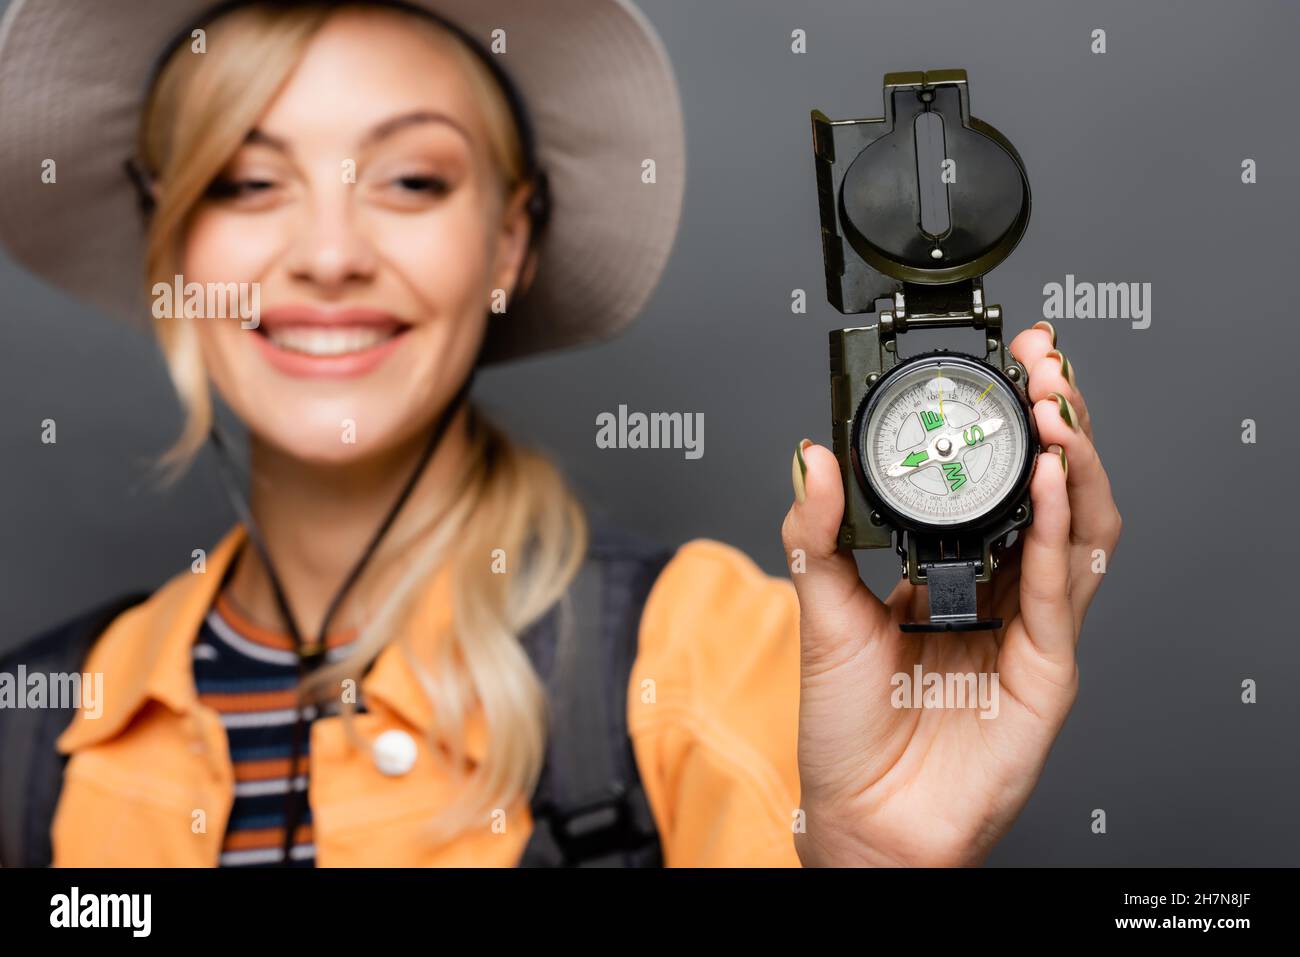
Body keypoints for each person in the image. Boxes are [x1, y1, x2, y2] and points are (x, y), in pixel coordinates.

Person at [0, 0, 1121, 867]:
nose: (328, 253)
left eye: (411, 178)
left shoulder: (712, 658)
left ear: (509, 244)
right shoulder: (34, 741)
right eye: (247, 182)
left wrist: (876, 858)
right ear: (171, 250)